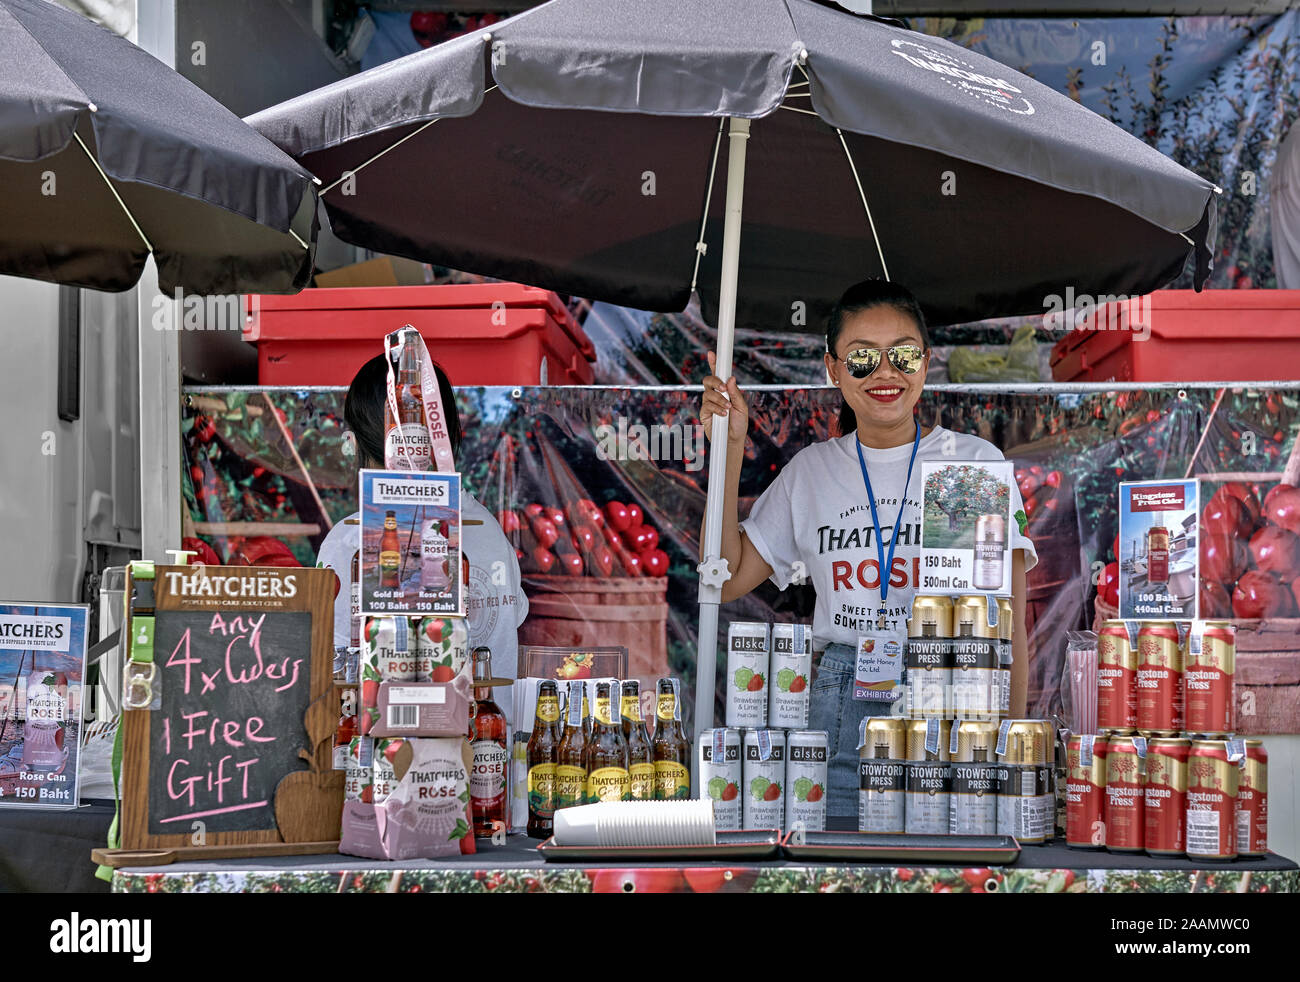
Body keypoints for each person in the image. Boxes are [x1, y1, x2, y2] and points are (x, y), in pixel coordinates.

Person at [699, 280, 1037, 822]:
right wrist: (729, 450)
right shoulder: (812, 471)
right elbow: (724, 577)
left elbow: (1007, 626)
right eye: (862, 358)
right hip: (838, 706)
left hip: (950, 707)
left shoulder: (967, 465)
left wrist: (1010, 750)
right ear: (833, 370)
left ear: (926, 363)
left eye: (902, 354)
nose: (886, 373)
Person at [316, 354, 528, 677]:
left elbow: (330, 668)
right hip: (490, 726)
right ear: (448, 434)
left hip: (378, 724)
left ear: (361, 441)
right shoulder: (489, 531)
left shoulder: (348, 541)